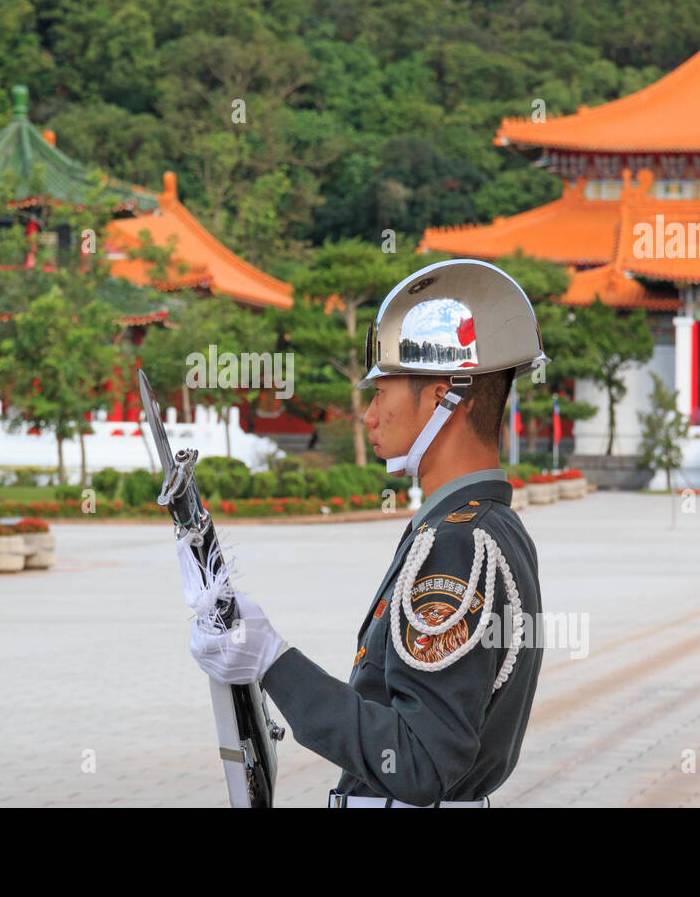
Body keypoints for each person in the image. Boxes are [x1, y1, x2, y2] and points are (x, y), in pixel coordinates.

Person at [189, 258, 547, 807]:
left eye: (383, 390)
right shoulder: (488, 526)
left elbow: (418, 762)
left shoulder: (459, 543)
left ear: (441, 397)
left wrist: (273, 663)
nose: (370, 413)